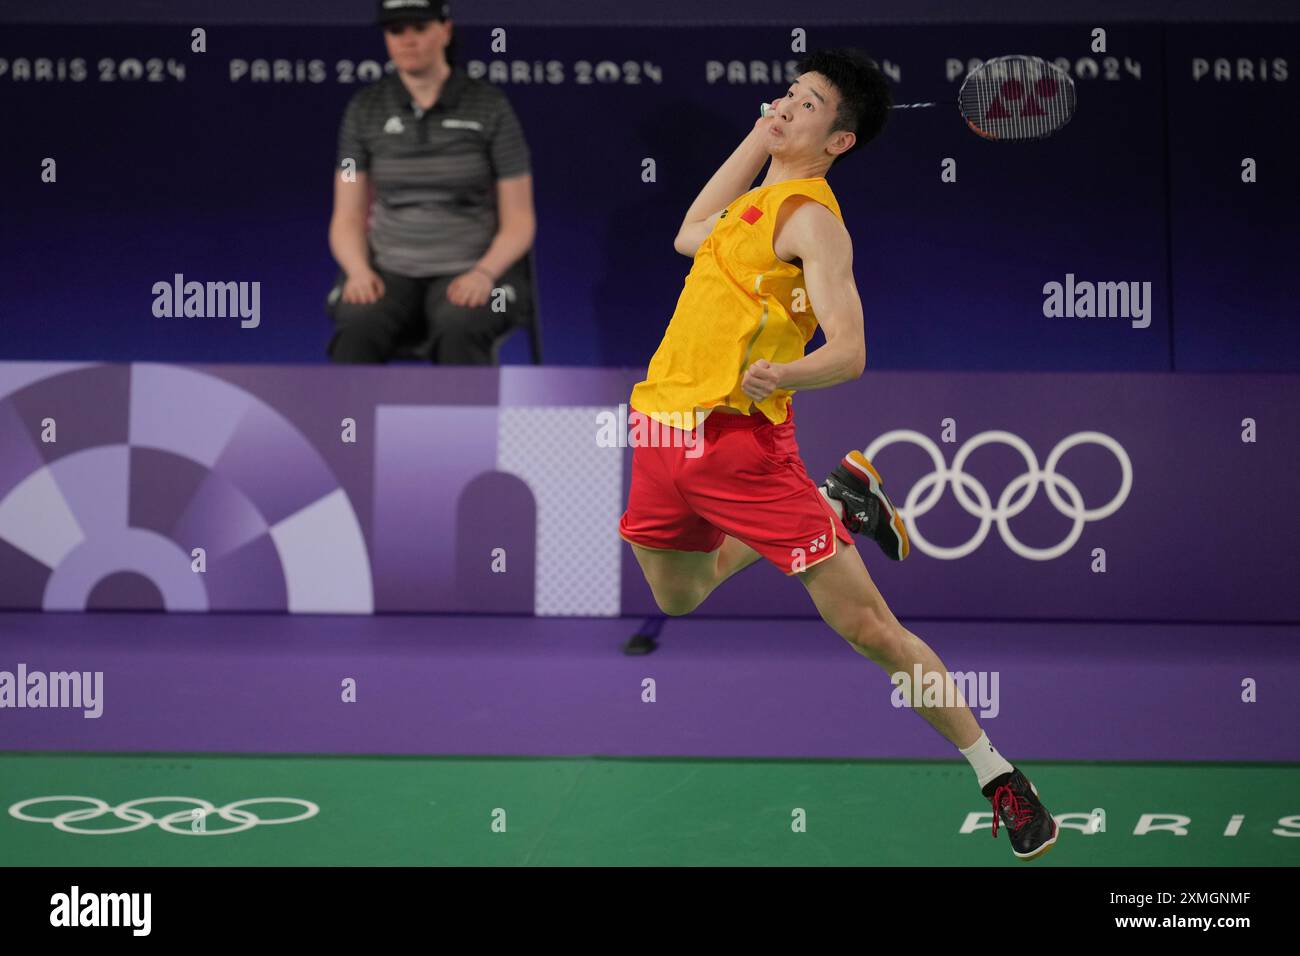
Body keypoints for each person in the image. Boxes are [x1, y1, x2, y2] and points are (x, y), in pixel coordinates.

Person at [618, 48, 1058, 860]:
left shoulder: (812, 222)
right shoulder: (753, 205)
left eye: (808, 103)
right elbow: (687, 232)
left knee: (868, 628)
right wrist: (765, 132)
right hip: (660, 430)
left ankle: (996, 772)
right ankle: (839, 498)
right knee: (679, 597)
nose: (785, 104)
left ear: (840, 141)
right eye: (786, 92)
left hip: (741, 443)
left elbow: (849, 352)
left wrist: (787, 371)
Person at [327, 0, 535, 364]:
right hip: (390, 268)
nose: (408, 40)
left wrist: (484, 274)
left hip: (471, 266)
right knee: (358, 324)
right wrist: (358, 271)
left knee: (461, 326)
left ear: (446, 31)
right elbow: (347, 215)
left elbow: (519, 219)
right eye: (396, 31)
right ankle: (348, 423)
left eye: (420, 28)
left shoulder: (489, 107)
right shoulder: (364, 110)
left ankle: (466, 424)